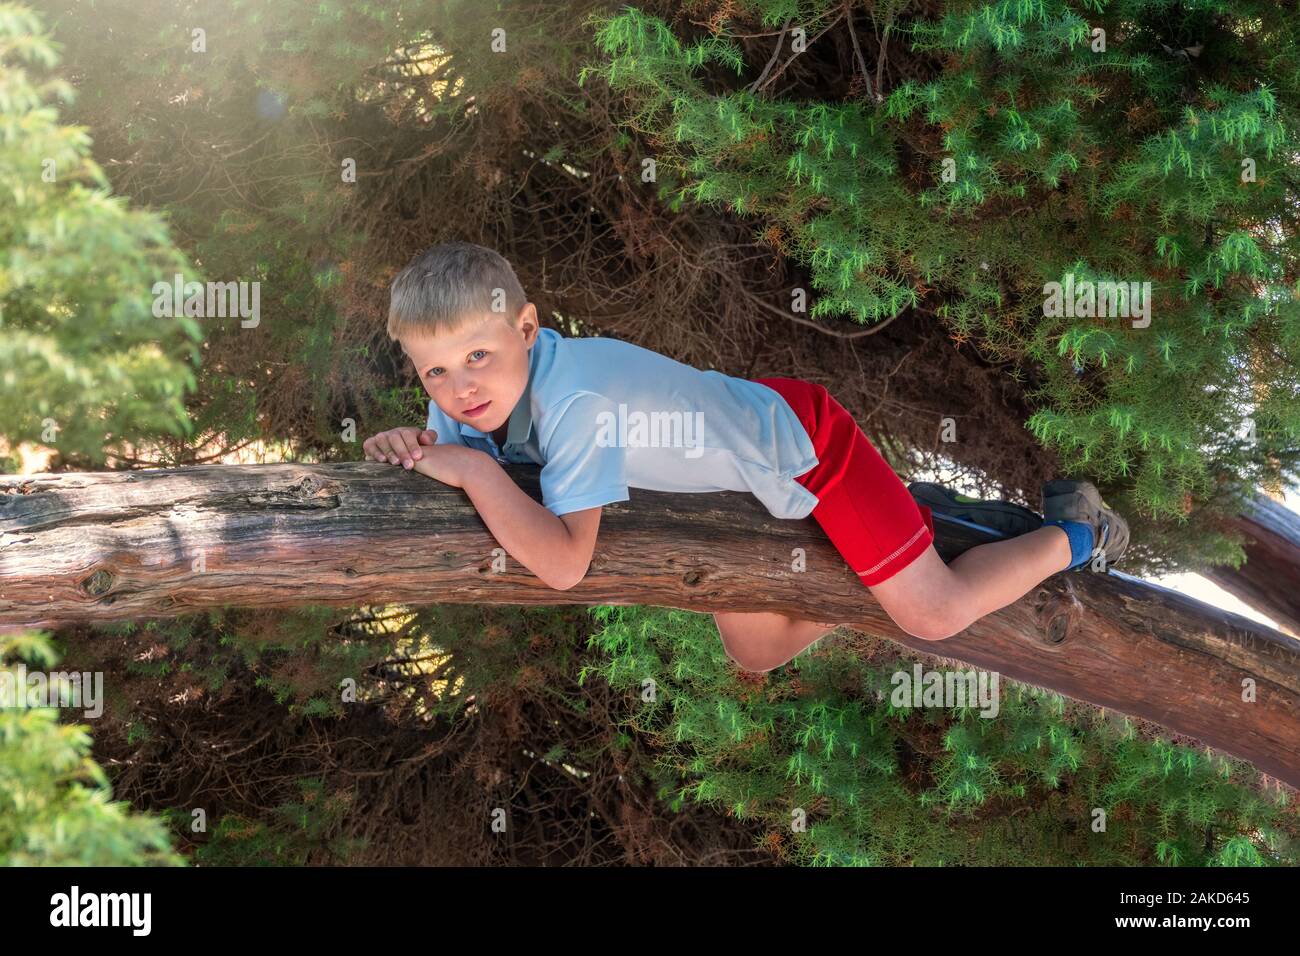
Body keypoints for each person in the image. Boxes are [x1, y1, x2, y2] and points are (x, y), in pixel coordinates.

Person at [364, 241, 1130, 673]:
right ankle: (924, 519)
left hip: (804, 450)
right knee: (757, 652)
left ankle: (1079, 531)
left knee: (934, 615)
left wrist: (468, 470)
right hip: (725, 478)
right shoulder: (469, 394)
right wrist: (412, 445)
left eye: (476, 357)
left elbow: (565, 564)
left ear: (527, 330)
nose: (460, 389)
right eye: (435, 372)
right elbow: (445, 441)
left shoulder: (576, 403)